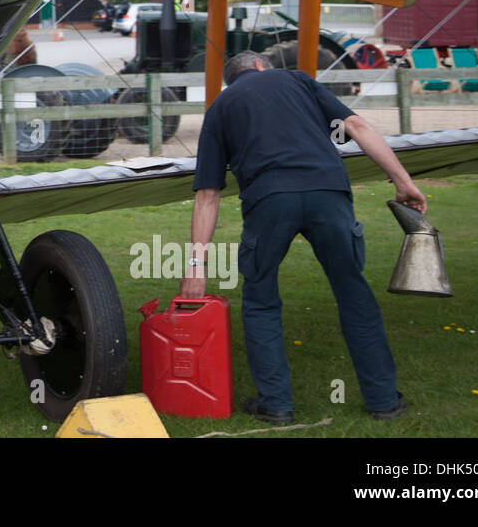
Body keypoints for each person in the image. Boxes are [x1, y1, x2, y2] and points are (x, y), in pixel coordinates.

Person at [180, 50, 427, 424]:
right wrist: (402, 181)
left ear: (232, 79)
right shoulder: (297, 79)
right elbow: (358, 128)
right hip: (328, 193)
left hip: (269, 201)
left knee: (261, 300)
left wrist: (196, 266)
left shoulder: (220, 108)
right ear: (262, 65)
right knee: (353, 294)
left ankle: (276, 404)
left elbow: (207, 196)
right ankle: (383, 401)